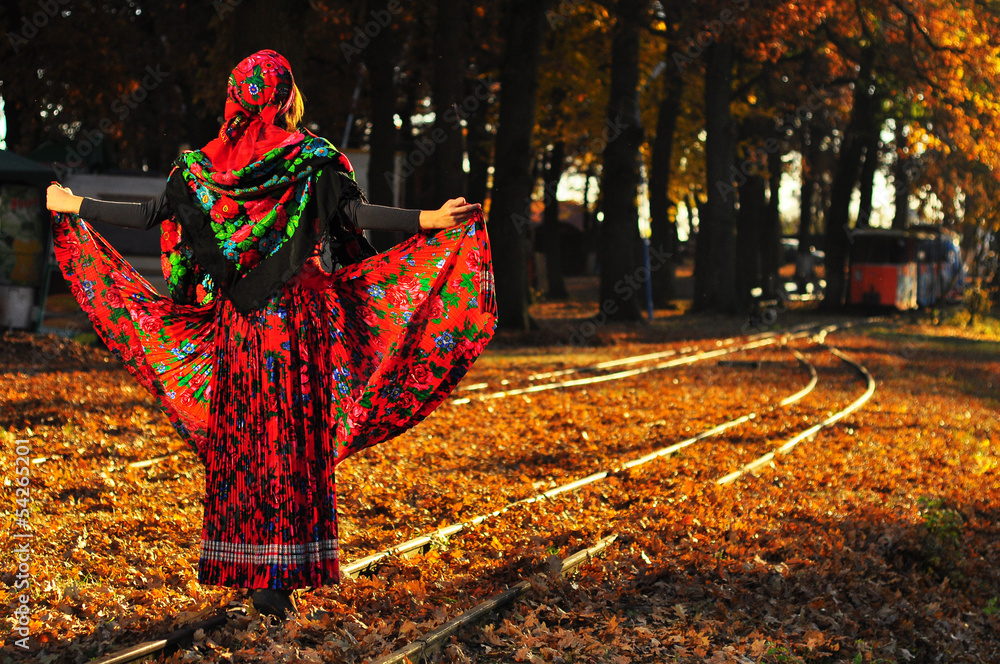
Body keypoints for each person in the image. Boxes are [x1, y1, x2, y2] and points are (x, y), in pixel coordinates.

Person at [46, 49, 496, 618]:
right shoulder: (310, 160)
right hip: (297, 326)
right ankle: (282, 575)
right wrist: (425, 221)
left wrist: (74, 204)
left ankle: (245, 564)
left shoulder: (200, 171)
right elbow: (354, 218)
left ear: (235, 97)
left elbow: (152, 213)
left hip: (238, 328)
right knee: (290, 443)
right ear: (285, 97)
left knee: (243, 441)